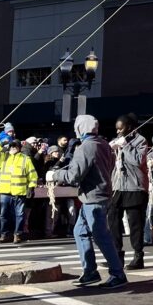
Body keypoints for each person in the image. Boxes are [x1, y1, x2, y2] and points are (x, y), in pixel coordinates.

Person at [46, 114, 127, 289]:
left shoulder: (85, 147)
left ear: (80, 128)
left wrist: (55, 174)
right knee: (80, 231)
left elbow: (74, 176)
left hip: (92, 197)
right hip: (98, 194)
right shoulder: (104, 144)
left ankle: (117, 273)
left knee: (101, 236)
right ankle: (90, 271)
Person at [108, 113, 149, 269]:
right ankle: (116, 254)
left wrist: (125, 146)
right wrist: (111, 149)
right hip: (117, 186)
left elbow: (138, 161)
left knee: (135, 223)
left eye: (121, 128)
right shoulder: (117, 140)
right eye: (117, 129)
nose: (118, 132)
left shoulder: (141, 141)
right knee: (112, 218)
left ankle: (138, 256)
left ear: (130, 128)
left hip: (134, 187)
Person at [0, 136, 36, 243]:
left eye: (16, 146)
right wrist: (0, 145)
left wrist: (31, 187)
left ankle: (17, 234)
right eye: (12, 146)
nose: (13, 148)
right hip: (6, 191)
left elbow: (32, 174)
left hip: (20, 191)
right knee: (3, 214)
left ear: (20, 148)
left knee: (19, 215)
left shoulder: (25, 159)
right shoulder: (4, 157)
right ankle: (4, 235)